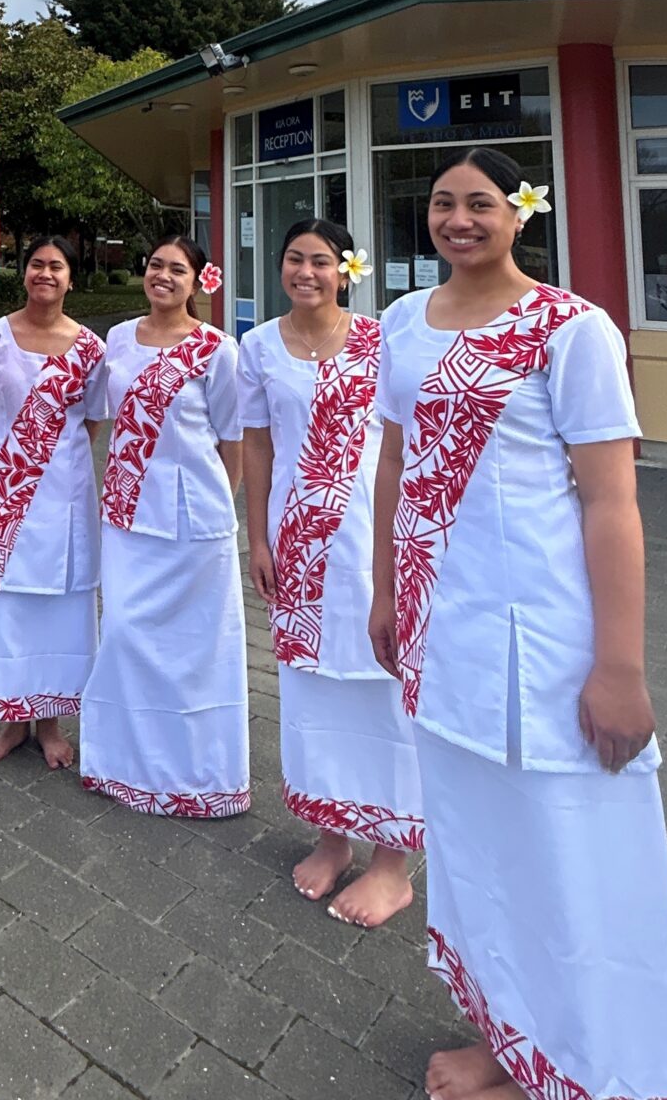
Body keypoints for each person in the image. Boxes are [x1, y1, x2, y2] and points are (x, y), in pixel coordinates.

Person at [369, 146, 667, 1100]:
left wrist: (621, 668)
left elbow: (611, 502)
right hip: (442, 634)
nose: (457, 219)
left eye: (480, 203)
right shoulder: (402, 322)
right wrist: (386, 592)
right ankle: (513, 1040)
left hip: (544, 644)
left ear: (520, 214)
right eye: (442, 202)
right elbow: (393, 466)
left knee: (566, 853)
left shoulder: (571, 329)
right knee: (482, 852)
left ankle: (599, 1064)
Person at [240, 219, 422, 928]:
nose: (306, 272)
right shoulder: (258, 346)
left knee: (383, 689)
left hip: (370, 544)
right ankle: (332, 835)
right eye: (295, 258)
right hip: (296, 547)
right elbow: (258, 446)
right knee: (311, 690)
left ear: (346, 270)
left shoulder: (382, 341)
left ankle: (391, 862)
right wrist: (257, 536)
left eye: (321, 261)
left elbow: (405, 444)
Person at [79, 234, 247, 816]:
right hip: (127, 513)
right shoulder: (119, 338)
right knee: (125, 632)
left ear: (197, 281)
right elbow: (100, 415)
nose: (164, 276)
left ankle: (200, 772)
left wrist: (219, 502)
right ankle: (123, 762)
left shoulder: (218, 349)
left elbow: (232, 439)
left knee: (195, 648)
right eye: (156, 265)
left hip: (195, 522)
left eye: (178, 269)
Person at [0, 237, 107, 769]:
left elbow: (92, 420)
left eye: (56, 266)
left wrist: (50, 457)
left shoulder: (91, 349)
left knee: (60, 608)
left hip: (66, 495)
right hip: (4, 493)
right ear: (23, 273)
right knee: (8, 608)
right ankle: (12, 719)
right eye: (37, 264)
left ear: (71, 278)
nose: (45, 273)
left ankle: (51, 723)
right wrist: (14, 461)